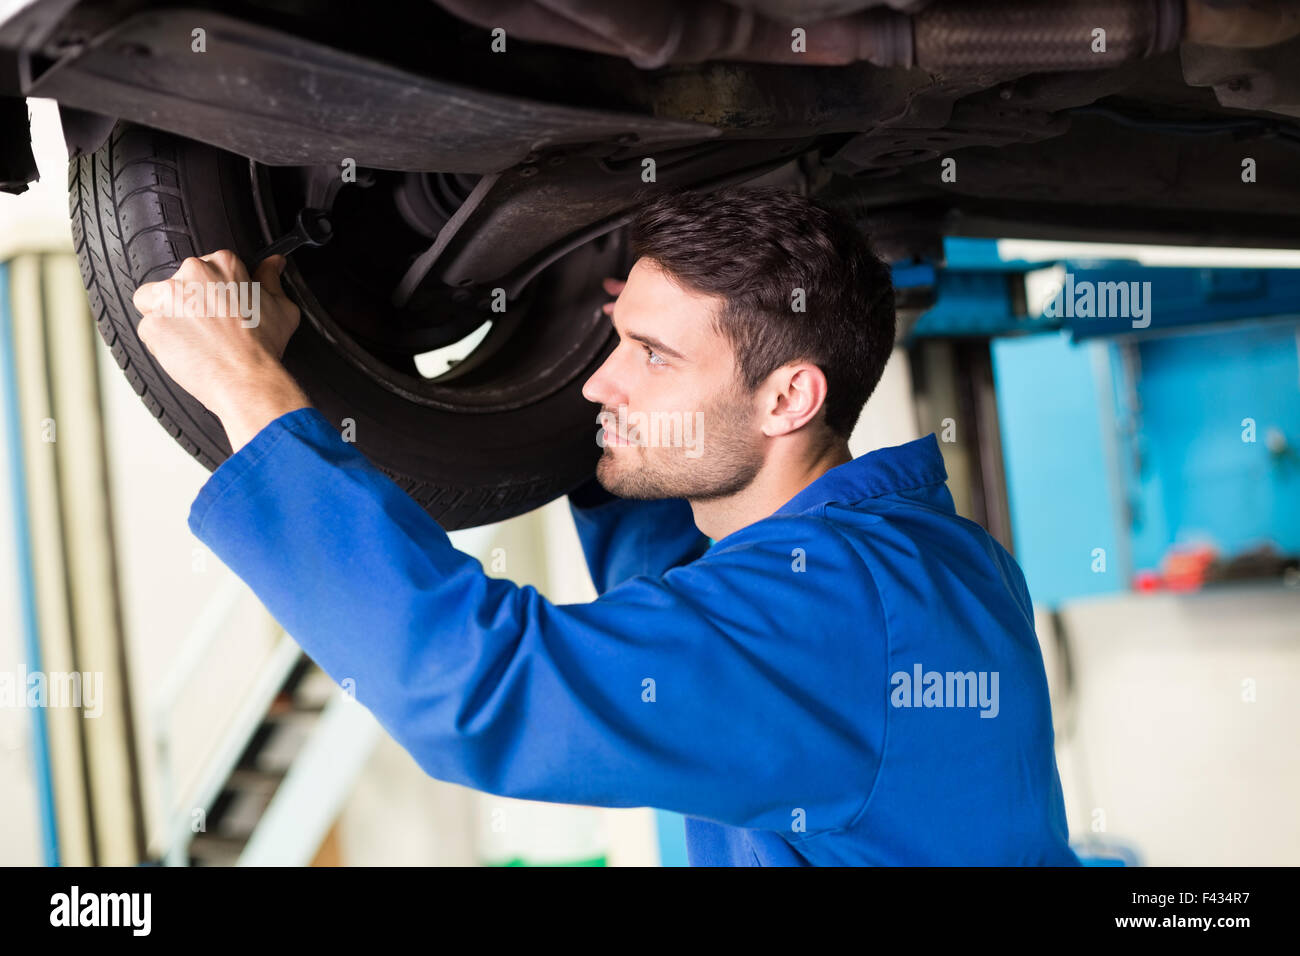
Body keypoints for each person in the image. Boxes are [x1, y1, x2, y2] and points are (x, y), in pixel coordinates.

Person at [130, 184, 1079, 866]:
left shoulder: (839, 616)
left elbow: (476, 690)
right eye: (617, 339)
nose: (596, 381)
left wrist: (247, 387)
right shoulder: (917, 549)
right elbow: (668, 594)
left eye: (651, 355)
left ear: (789, 395)